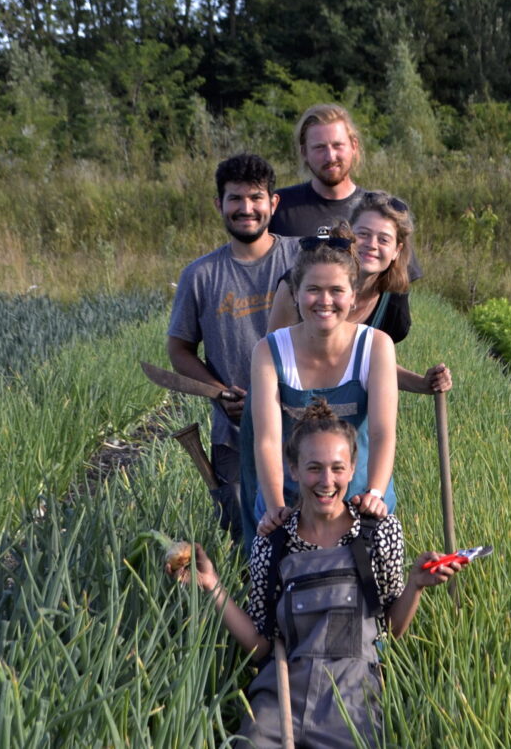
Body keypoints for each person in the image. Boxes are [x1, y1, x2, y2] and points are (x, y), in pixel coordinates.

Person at [167, 400, 467, 749]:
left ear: (354, 468)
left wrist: (415, 583)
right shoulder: (275, 541)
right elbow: (261, 645)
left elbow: (391, 629)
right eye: (314, 468)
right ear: (292, 469)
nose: (327, 481)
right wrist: (212, 585)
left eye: (338, 468)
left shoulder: (378, 532)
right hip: (281, 695)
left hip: (353, 699)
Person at [167, 153, 299, 544]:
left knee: (310, 530)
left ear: (273, 203)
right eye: (235, 199)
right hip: (234, 433)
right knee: (247, 538)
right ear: (219, 205)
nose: (246, 209)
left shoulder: (302, 258)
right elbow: (179, 349)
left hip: (303, 424)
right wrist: (220, 394)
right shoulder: (200, 276)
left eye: (256, 198)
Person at [249, 230, 397, 535]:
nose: (325, 301)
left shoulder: (376, 346)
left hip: (358, 496)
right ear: (295, 294)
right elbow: (267, 439)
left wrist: (375, 494)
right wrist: (277, 507)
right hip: (290, 497)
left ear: (353, 296)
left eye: (336, 290)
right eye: (313, 289)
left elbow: (383, 433)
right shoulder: (269, 350)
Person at [268, 190, 451, 396]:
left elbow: (374, 364)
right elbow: (273, 361)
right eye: (363, 234)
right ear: (348, 235)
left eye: (383, 240)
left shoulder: (392, 304)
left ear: (396, 251)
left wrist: (423, 384)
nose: (372, 245)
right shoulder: (298, 285)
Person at [268, 104, 421, 282]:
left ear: (353, 146)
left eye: (337, 145)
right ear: (304, 152)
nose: (330, 156)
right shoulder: (278, 207)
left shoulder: (381, 211)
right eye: (319, 147)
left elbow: (399, 283)